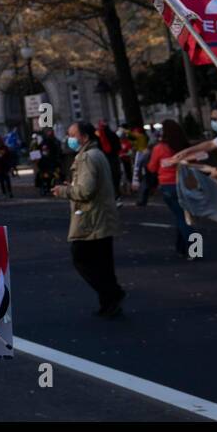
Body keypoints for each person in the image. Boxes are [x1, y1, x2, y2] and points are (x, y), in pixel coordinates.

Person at [169, 101, 217, 296]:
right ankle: (193, 250)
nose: (213, 122)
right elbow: (212, 143)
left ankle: (195, 251)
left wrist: (207, 177)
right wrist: (187, 152)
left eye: (215, 119)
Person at [52, 121, 124, 317]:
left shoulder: (86, 158)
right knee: (104, 262)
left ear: (83, 137)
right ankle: (109, 302)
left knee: (81, 257)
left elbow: (85, 190)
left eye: (72, 134)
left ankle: (112, 293)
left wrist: (63, 190)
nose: (70, 139)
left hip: (91, 218)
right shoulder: (97, 153)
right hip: (102, 216)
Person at [146, 119, 195, 257]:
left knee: (182, 218)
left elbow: (152, 167)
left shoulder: (159, 148)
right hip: (185, 184)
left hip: (168, 185)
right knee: (183, 216)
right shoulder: (183, 146)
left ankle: (195, 249)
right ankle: (182, 247)